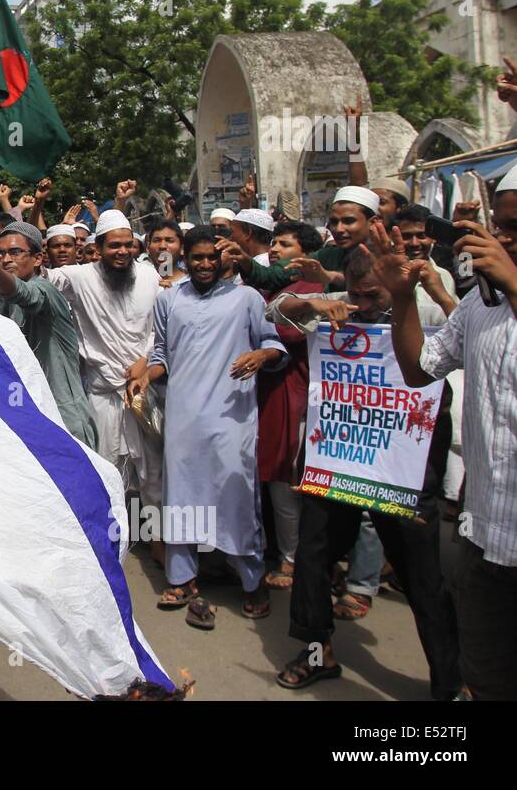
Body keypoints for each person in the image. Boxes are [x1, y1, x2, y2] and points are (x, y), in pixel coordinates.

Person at [270, 247, 462, 698]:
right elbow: (274, 310)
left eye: (373, 295)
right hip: (338, 461)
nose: (364, 303)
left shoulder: (424, 307)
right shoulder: (340, 306)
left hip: (406, 466)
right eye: (356, 294)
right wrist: (314, 302)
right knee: (314, 562)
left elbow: (467, 338)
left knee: (423, 578)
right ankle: (319, 655)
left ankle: (449, 682)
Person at [372, 163, 517, 700]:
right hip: (485, 538)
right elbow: (419, 370)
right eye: (498, 226)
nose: (500, 239)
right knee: (487, 679)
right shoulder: (480, 304)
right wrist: (402, 298)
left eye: (515, 228)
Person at [131, 226, 285, 630]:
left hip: (232, 415)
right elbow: (163, 352)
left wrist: (260, 354)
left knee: (236, 492)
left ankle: (252, 581)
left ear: (224, 259)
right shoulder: (169, 299)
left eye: (210, 258)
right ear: (184, 257)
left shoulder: (247, 298)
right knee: (182, 495)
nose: (203, 265)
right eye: (195, 257)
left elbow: (275, 343)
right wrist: (149, 374)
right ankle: (183, 578)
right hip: (184, 416)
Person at [48, 210, 163, 511]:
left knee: (152, 474)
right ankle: (112, 541)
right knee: (105, 469)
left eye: (128, 245)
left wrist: (145, 360)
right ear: (97, 248)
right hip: (103, 396)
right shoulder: (78, 276)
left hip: (144, 391)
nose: (123, 251)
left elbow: (159, 328)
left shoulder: (151, 275)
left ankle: (154, 543)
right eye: (114, 245)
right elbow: (32, 281)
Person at [0, 221, 98, 448]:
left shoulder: (46, 290)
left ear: (37, 259)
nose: (5, 260)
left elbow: (27, 295)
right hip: (26, 417)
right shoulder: (2, 302)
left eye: (15, 252)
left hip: (64, 421)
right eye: (0, 253)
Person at [253, 220, 325, 590]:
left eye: (284, 244)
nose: (274, 250)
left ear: (307, 254)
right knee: (269, 478)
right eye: (273, 244)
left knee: (286, 480)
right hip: (267, 393)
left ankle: (292, 558)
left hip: (295, 394)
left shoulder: (316, 289)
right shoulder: (271, 285)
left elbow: (287, 331)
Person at [234, 186, 382, 293]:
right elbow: (271, 276)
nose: (339, 229)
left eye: (348, 221)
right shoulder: (327, 256)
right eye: (334, 222)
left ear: (373, 222)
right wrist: (243, 259)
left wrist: (332, 277)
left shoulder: (390, 255)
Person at [394, 204, 458, 314]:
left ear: (433, 238)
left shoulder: (444, 276)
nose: (414, 243)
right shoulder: (387, 275)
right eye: (406, 236)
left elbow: (455, 319)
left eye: (421, 236)